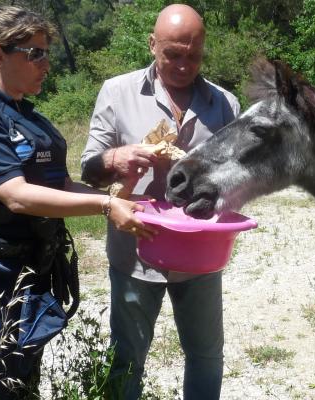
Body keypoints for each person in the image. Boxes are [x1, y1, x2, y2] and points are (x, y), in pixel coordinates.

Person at [0, 6, 154, 399]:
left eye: (46, 53)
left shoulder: (31, 119)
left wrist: (124, 199)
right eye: (35, 53)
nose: (46, 64)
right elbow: (16, 196)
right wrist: (106, 207)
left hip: (31, 272)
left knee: (19, 382)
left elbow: (62, 184)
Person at [80, 4, 240, 399]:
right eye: (173, 54)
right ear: (152, 44)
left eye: (194, 56)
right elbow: (89, 170)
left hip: (200, 254)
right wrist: (116, 159)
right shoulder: (117, 93)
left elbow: (240, 180)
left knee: (206, 355)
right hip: (135, 252)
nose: (184, 65)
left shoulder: (225, 104)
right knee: (126, 359)